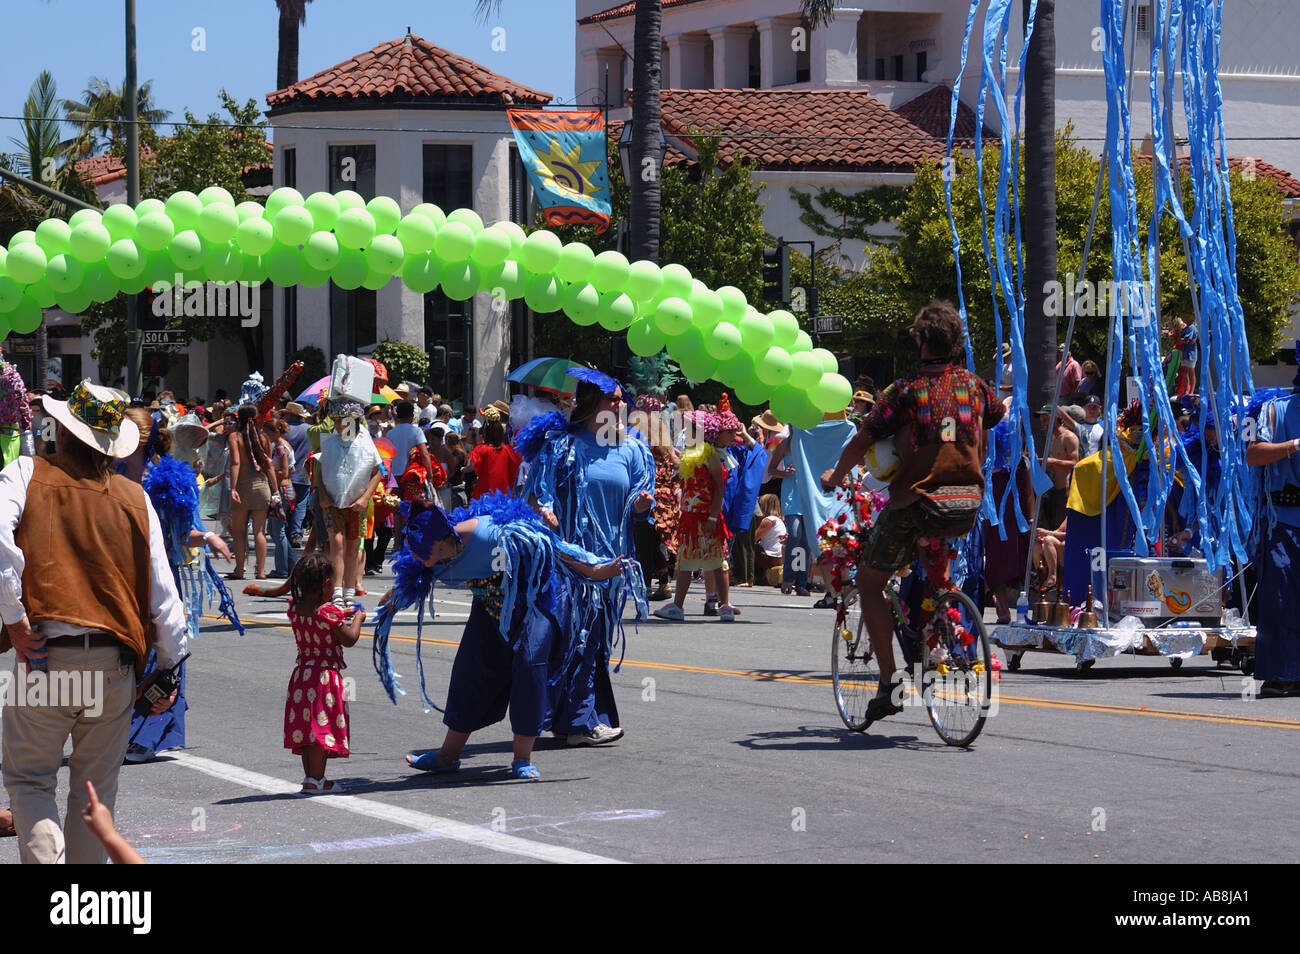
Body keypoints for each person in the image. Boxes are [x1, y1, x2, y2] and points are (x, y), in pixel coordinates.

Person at [0, 380, 186, 864]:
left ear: (63, 430)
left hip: (43, 658)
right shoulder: (134, 498)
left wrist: (15, 619)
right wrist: (168, 669)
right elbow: (165, 600)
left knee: (30, 780)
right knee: (94, 793)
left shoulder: (27, 473)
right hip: (112, 664)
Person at [821, 302, 1005, 726]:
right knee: (936, 574)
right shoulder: (976, 386)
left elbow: (864, 437)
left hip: (918, 502)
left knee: (869, 581)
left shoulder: (905, 391)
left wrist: (836, 475)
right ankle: (937, 622)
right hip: (967, 502)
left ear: (920, 340)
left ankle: (890, 682)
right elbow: (996, 416)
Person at [374, 497, 628, 780]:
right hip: (489, 605)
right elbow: (413, 578)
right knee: (470, 672)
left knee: (529, 668)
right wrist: (392, 601)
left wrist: (598, 569)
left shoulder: (494, 534)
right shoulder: (430, 553)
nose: (421, 560)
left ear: (444, 539)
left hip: (532, 602)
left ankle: (522, 759)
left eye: (427, 553)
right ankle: (447, 756)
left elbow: (554, 546)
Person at [520, 370, 653, 745]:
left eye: (622, 399)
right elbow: (536, 495)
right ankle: (580, 722)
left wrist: (643, 504)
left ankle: (572, 719)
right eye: (613, 398)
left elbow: (642, 504)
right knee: (578, 638)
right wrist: (544, 510)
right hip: (569, 561)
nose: (621, 404)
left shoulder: (632, 450)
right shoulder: (561, 446)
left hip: (611, 564)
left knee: (594, 640)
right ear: (593, 403)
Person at [119, 406, 242, 763]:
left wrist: (209, 537)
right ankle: (119, 730)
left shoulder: (167, 479)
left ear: (141, 440)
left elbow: (184, 532)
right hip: (118, 576)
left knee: (159, 649)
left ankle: (147, 734)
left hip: (155, 575)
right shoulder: (106, 472)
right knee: (124, 653)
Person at [285, 551, 364, 793]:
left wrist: (342, 614)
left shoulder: (295, 608)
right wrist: (358, 618)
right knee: (321, 727)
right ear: (327, 584)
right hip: (324, 678)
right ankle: (318, 780)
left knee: (306, 728)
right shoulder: (327, 613)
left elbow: (319, 617)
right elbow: (349, 639)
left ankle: (311, 777)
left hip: (302, 676)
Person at [654, 409, 737, 622]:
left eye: (690, 428)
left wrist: (712, 518)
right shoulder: (690, 454)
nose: (686, 432)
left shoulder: (709, 455)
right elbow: (682, 473)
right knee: (685, 563)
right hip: (690, 519)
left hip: (708, 519)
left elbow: (719, 489)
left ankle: (725, 606)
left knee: (717, 563)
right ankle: (677, 606)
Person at [1245, 394, 1300, 696]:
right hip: (1284, 520)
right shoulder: (1274, 409)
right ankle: (1280, 674)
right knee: (1280, 599)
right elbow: (1253, 454)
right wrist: (1294, 444)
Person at [316, 403, 382, 608]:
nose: (337, 425)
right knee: (336, 543)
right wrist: (322, 495)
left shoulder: (365, 442)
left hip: (356, 503)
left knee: (353, 548)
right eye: (335, 421)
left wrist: (364, 498)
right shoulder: (329, 443)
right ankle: (337, 590)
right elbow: (319, 471)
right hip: (333, 502)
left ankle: (349, 591)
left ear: (352, 422)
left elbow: (377, 473)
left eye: (341, 421)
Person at [227, 403, 279, 580]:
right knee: (259, 531)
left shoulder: (234, 437)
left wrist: (233, 488)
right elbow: (269, 465)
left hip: (242, 485)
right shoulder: (264, 438)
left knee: (239, 532)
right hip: (261, 485)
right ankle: (261, 571)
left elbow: (235, 463)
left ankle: (240, 569)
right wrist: (275, 490)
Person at [264, 415, 296, 579]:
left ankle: (282, 569)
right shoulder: (284, 445)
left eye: (267, 433)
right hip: (285, 489)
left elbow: (283, 472)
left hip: (282, 490)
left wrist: (268, 472)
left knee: (278, 531)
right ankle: (291, 564)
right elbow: (292, 469)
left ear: (275, 431)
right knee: (274, 530)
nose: (265, 436)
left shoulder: (280, 448)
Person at [1040, 404, 1080, 533]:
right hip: (1055, 491)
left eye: (1045, 420)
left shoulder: (1069, 438)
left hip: (1066, 491)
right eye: (1041, 421)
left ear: (1055, 418)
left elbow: (1075, 463)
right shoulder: (1053, 439)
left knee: (1062, 530)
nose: (1042, 424)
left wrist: (1053, 461)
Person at [468, 406, 521, 499]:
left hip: (485, 495)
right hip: (504, 496)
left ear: (485, 431)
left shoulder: (480, 450)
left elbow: (472, 467)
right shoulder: (509, 450)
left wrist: (464, 469)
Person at [387, 400, 430, 483]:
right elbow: (424, 454)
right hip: (411, 475)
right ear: (412, 416)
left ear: (397, 416)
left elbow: (387, 457)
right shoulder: (417, 431)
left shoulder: (390, 433)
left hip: (394, 475)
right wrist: (430, 476)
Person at [754, 493, 787, 585]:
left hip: (770, 557)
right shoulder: (779, 520)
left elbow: (753, 538)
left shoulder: (769, 520)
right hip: (778, 557)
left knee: (750, 547)